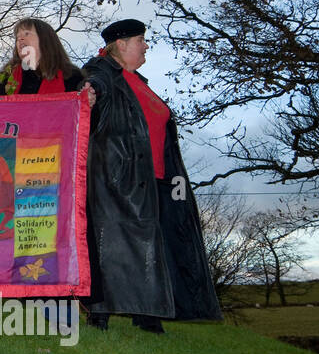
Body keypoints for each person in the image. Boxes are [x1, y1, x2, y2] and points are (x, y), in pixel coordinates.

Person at [80, 19, 221, 332]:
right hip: (117, 175)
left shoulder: (140, 82)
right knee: (113, 242)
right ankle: (100, 310)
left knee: (157, 243)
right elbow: (93, 85)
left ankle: (149, 312)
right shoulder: (102, 70)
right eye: (141, 40)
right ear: (122, 44)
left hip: (159, 178)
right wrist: (89, 94)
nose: (145, 46)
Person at [0, 18, 95, 331]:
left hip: (50, 173)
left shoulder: (72, 77)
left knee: (47, 240)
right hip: (8, 168)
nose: (21, 39)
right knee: (0, 238)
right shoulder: (7, 77)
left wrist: (90, 103)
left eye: (27, 33)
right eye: (17, 35)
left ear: (44, 39)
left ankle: (56, 315)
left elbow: (86, 122)